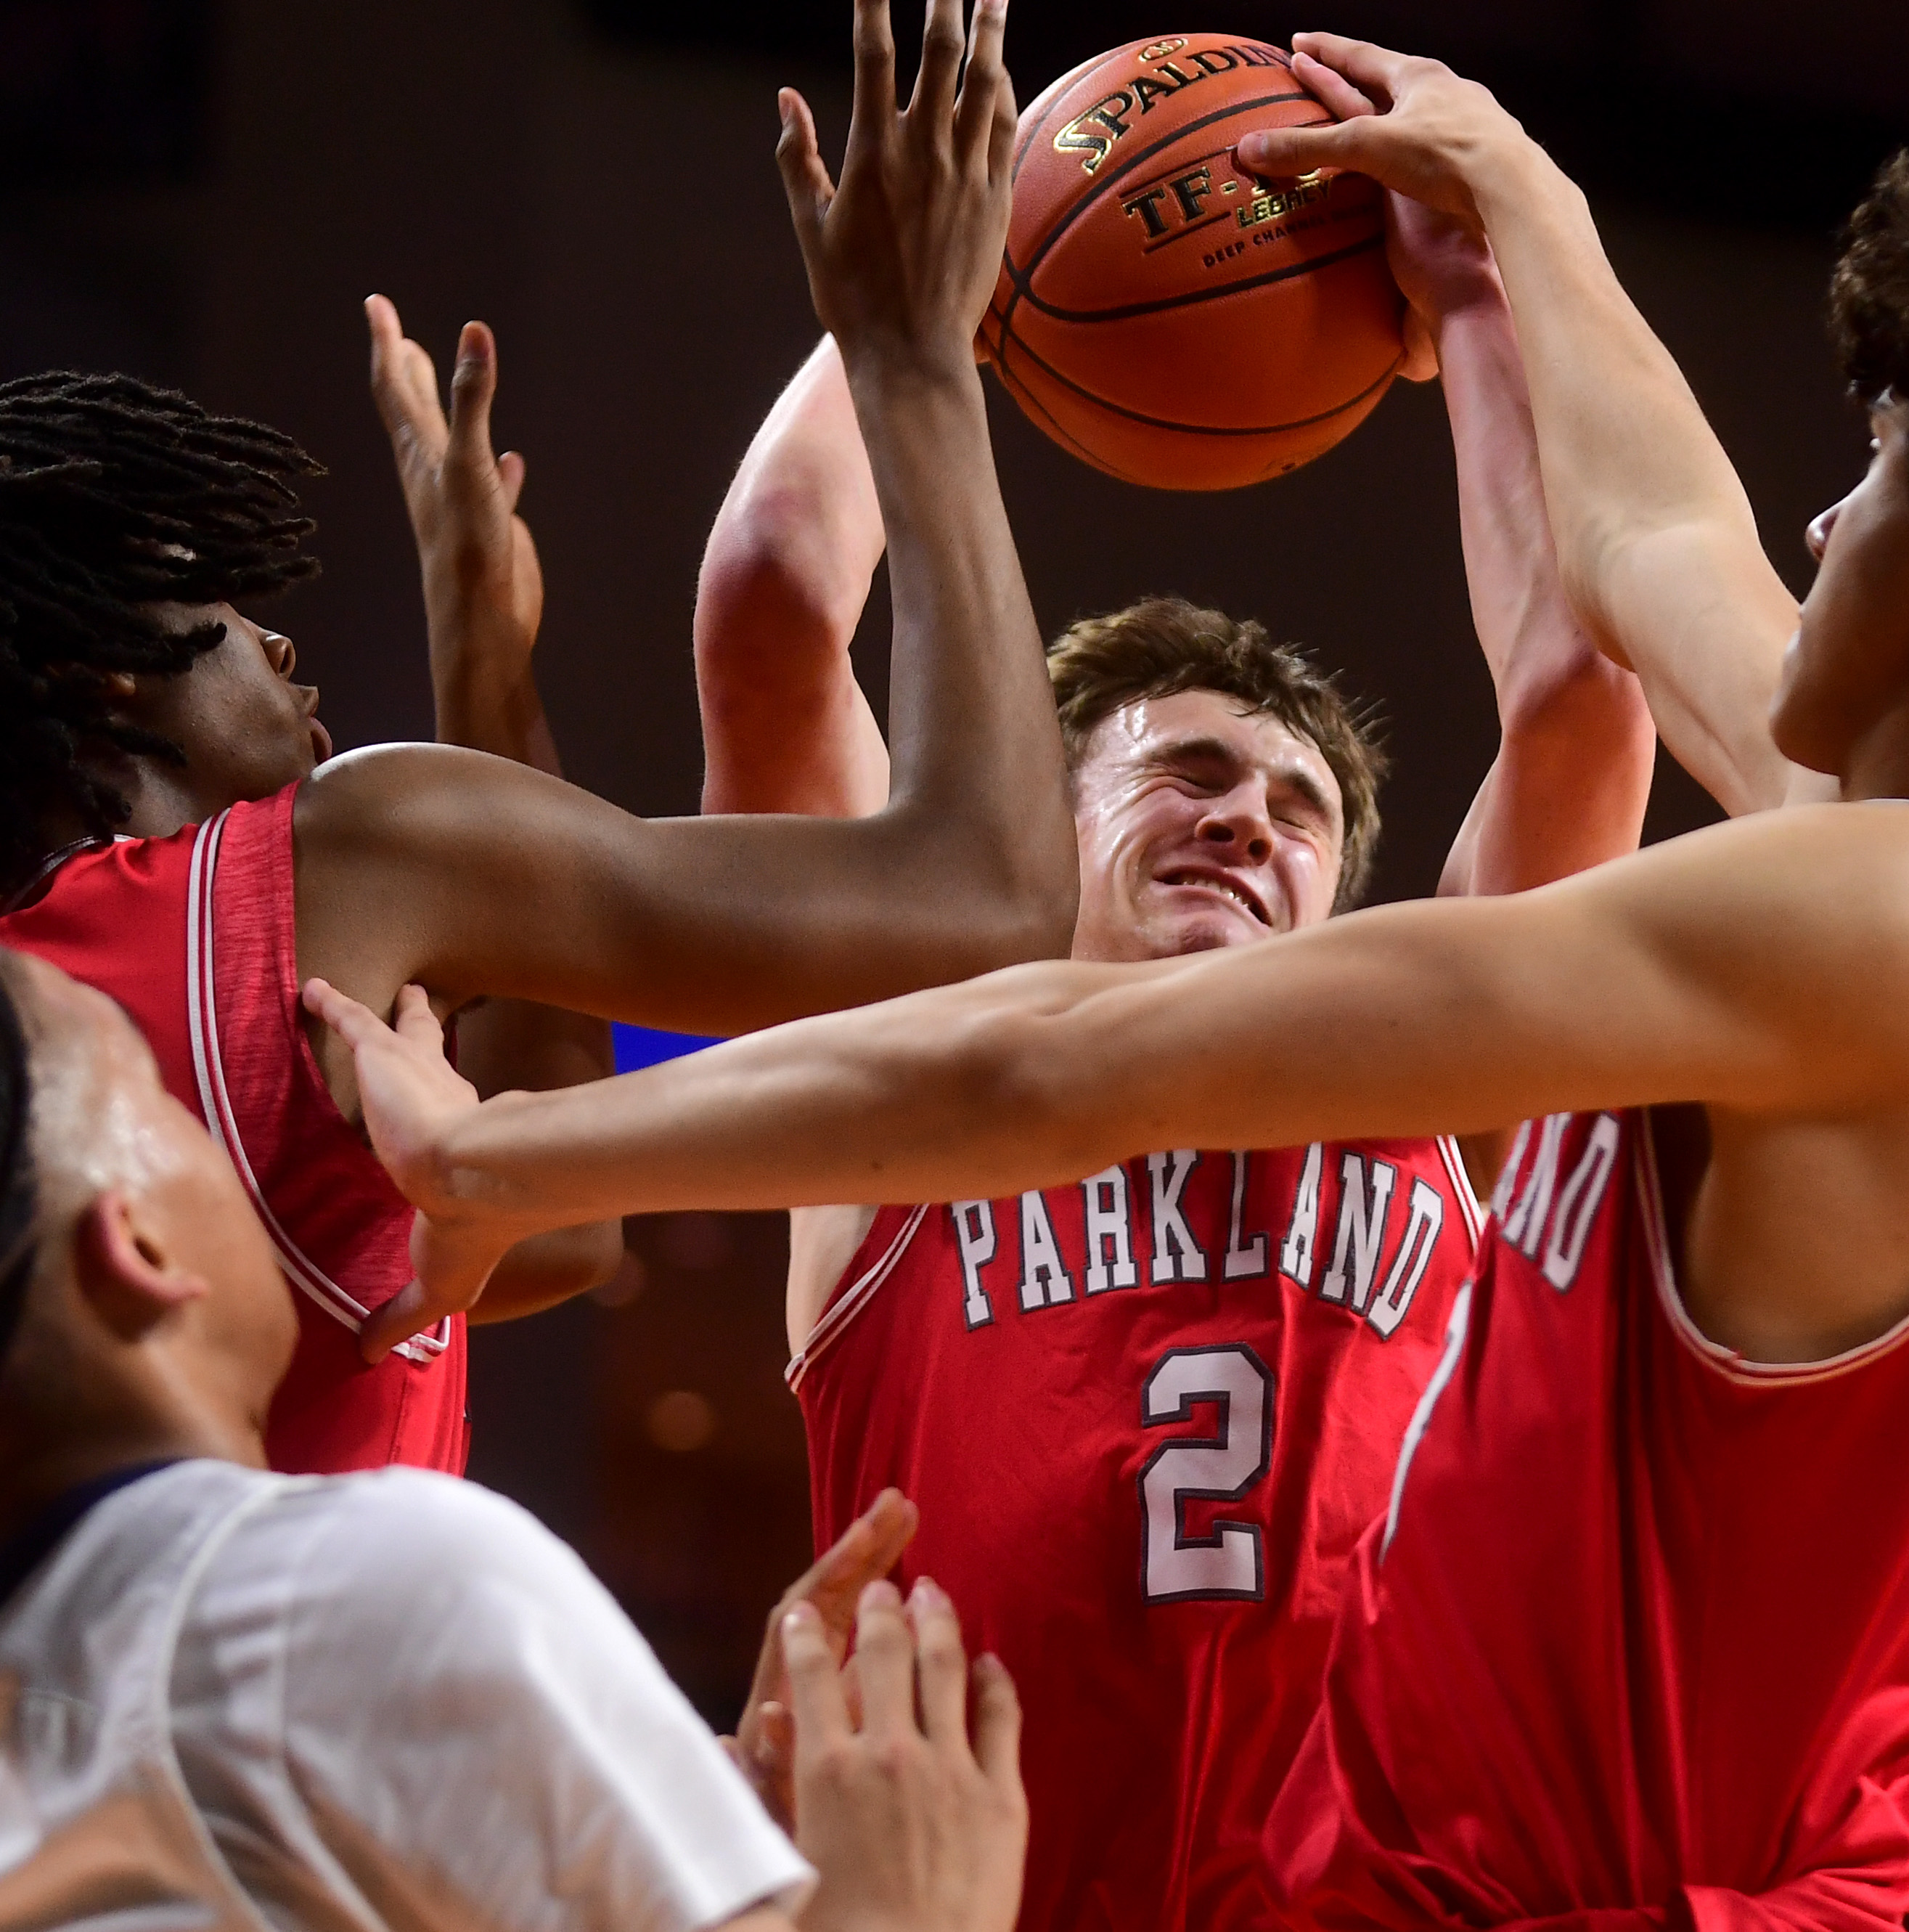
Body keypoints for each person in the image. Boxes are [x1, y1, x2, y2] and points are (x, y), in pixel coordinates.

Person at [307, 54, 1909, 1931]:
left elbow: (1059, 1060)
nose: (1814, 517)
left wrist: (510, 1153)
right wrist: (1508, 217)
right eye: (1180, 773)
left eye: (1869, 469)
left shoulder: (1882, 928)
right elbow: (1647, 554)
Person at [675, 168, 1651, 1931]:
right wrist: (932, 306)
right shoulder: (903, 1072)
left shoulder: (1441, 1096)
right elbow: (770, 596)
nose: (1242, 823)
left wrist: (1481, 299)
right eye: (1185, 775)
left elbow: (1584, 685)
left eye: (1293, 809)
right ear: (1046, 833)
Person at [0, 0, 1076, 1477]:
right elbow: (985, 902)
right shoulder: (333, 851)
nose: (278, 638)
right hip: (314, 1702)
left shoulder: (40, 1016)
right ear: (99, 670)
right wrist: (914, 368)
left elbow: (559, 1222)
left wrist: (482, 664)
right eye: (222, 608)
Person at [0, 944, 1025, 1932]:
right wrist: (906, 1905)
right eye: (158, 1089)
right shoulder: (354, 1586)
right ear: (135, 1244)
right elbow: (961, 893)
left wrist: (703, 1854)